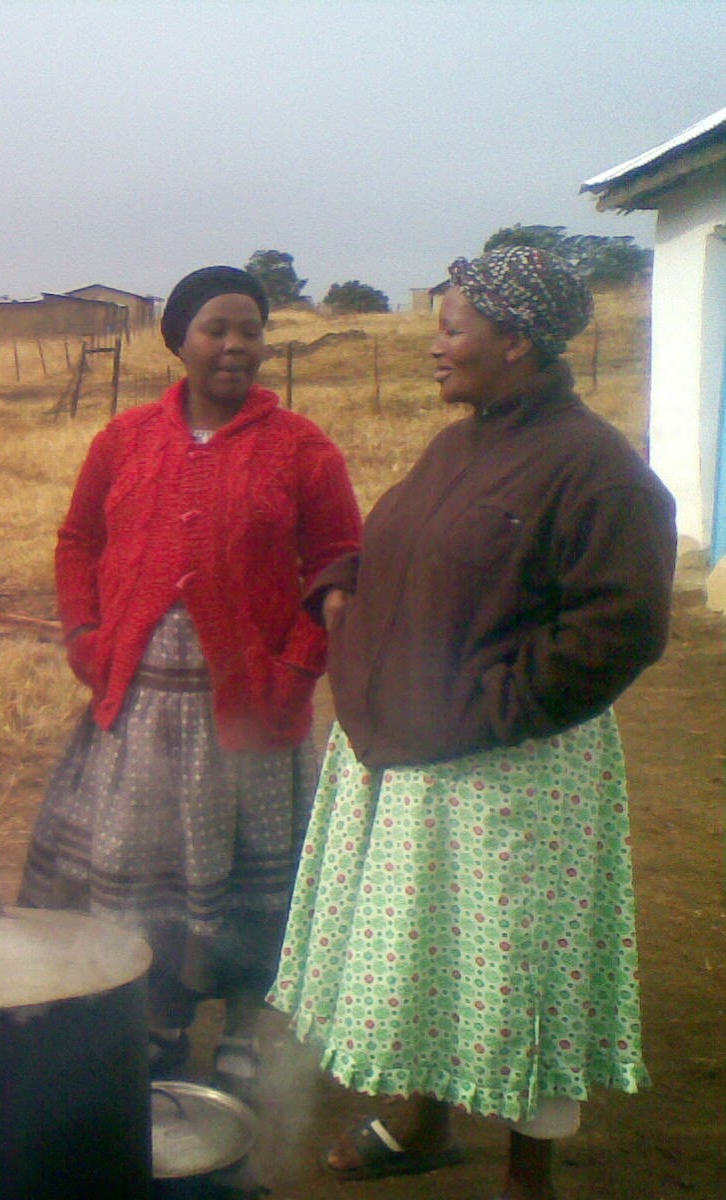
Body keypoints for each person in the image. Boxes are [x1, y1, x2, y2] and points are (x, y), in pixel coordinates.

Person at [268, 247, 676, 1200]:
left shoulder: (595, 468)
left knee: (518, 969)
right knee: (428, 949)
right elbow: (403, 546)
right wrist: (341, 585)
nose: (434, 346)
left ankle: (527, 1178)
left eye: (452, 328)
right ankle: (424, 1121)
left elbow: (619, 631)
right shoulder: (464, 442)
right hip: (423, 752)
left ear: (518, 341)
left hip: (514, 775)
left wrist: (480, 710)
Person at [18, 266, 362, 1090]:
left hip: (250, 712)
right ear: (177, 341)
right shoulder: (125, 440)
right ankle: (163, 1013)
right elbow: (77, 542)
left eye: (251, 328)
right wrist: (84, 636)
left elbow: (340, 563)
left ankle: (248, 1016)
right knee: (151, 876)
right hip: (138, 706)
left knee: (250, 876)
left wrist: (295, 665)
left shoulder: (302, 448)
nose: (236, 345)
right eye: (216, 329)